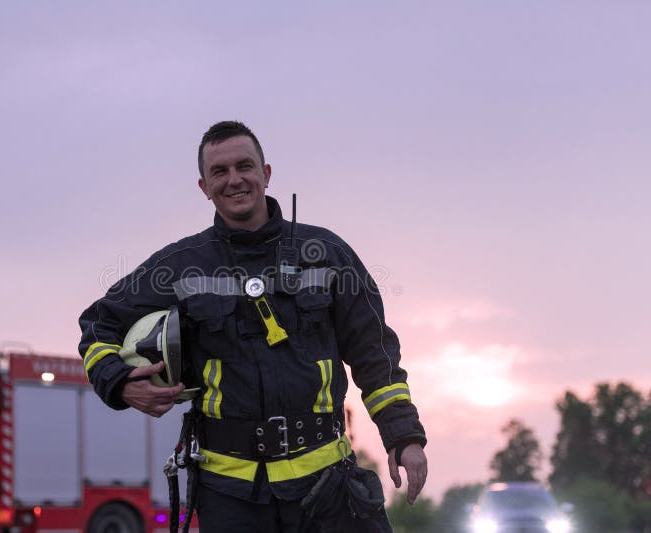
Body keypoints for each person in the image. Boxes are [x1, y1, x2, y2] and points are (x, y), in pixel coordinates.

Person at [78, 121, 428, 532]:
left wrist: (403, 436)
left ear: (266, 173)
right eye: (219, 172)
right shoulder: (180, 266)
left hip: (328, 488)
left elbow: (375, 356)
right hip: (230, 496)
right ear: (204, 187)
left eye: (244, 166)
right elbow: (98, 324)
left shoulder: (327, 254)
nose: (234, 179)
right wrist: (118, 382)